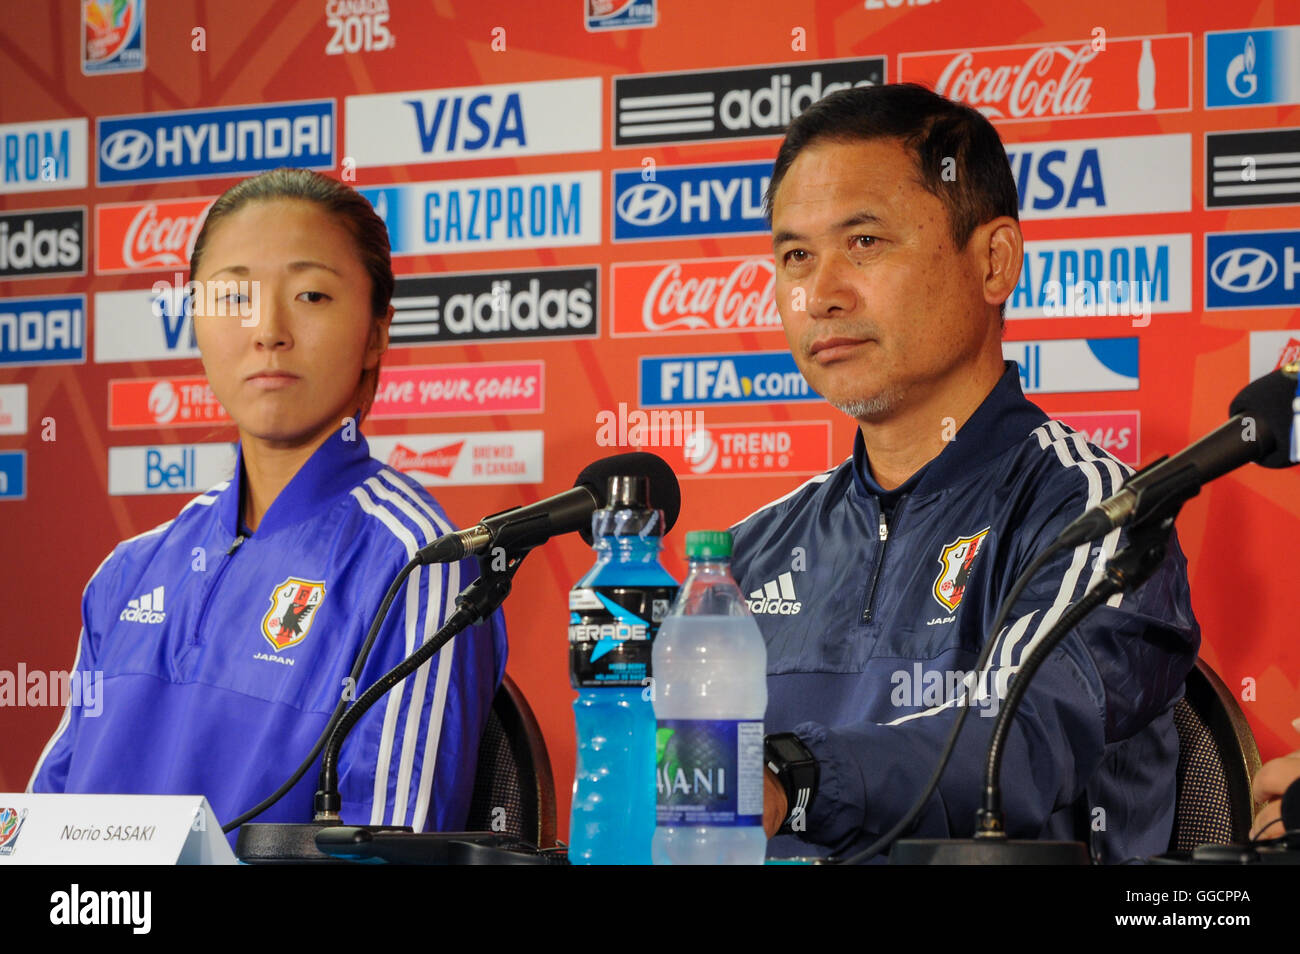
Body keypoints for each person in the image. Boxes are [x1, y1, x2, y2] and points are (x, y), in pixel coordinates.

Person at [737, 84, 1200, 863]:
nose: (820, 295)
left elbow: (1019, 744)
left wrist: (796, 776)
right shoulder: (748, 552)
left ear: (994, 262)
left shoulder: (1100, 518)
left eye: (865, 244)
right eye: (796, 257)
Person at [28, 168, 508, 850]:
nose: (268, 330)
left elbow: (388, 855)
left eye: (311, 294)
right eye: (232, 296)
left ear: (377, 331)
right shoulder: (127, 573)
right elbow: (39, 836)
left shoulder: (420, 565)